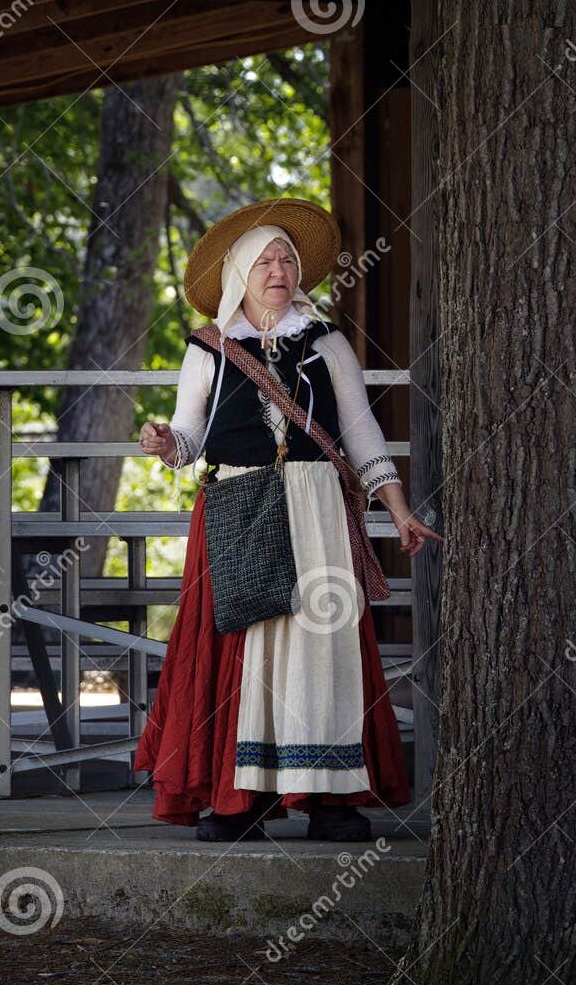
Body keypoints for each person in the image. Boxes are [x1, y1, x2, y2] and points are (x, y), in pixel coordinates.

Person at [134, 198, 441, 842]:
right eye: (265, 261)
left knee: (321, 646)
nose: (280, 269)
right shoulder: (208, 350)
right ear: (239, 274)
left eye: (289, 260)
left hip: (319, 507)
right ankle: (239, 800)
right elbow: (189, 438)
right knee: (243, 648)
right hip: (241, 507)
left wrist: (399, 509)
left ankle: (329, 801)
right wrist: (166, 444)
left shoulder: (325, 343)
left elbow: (359, 431)